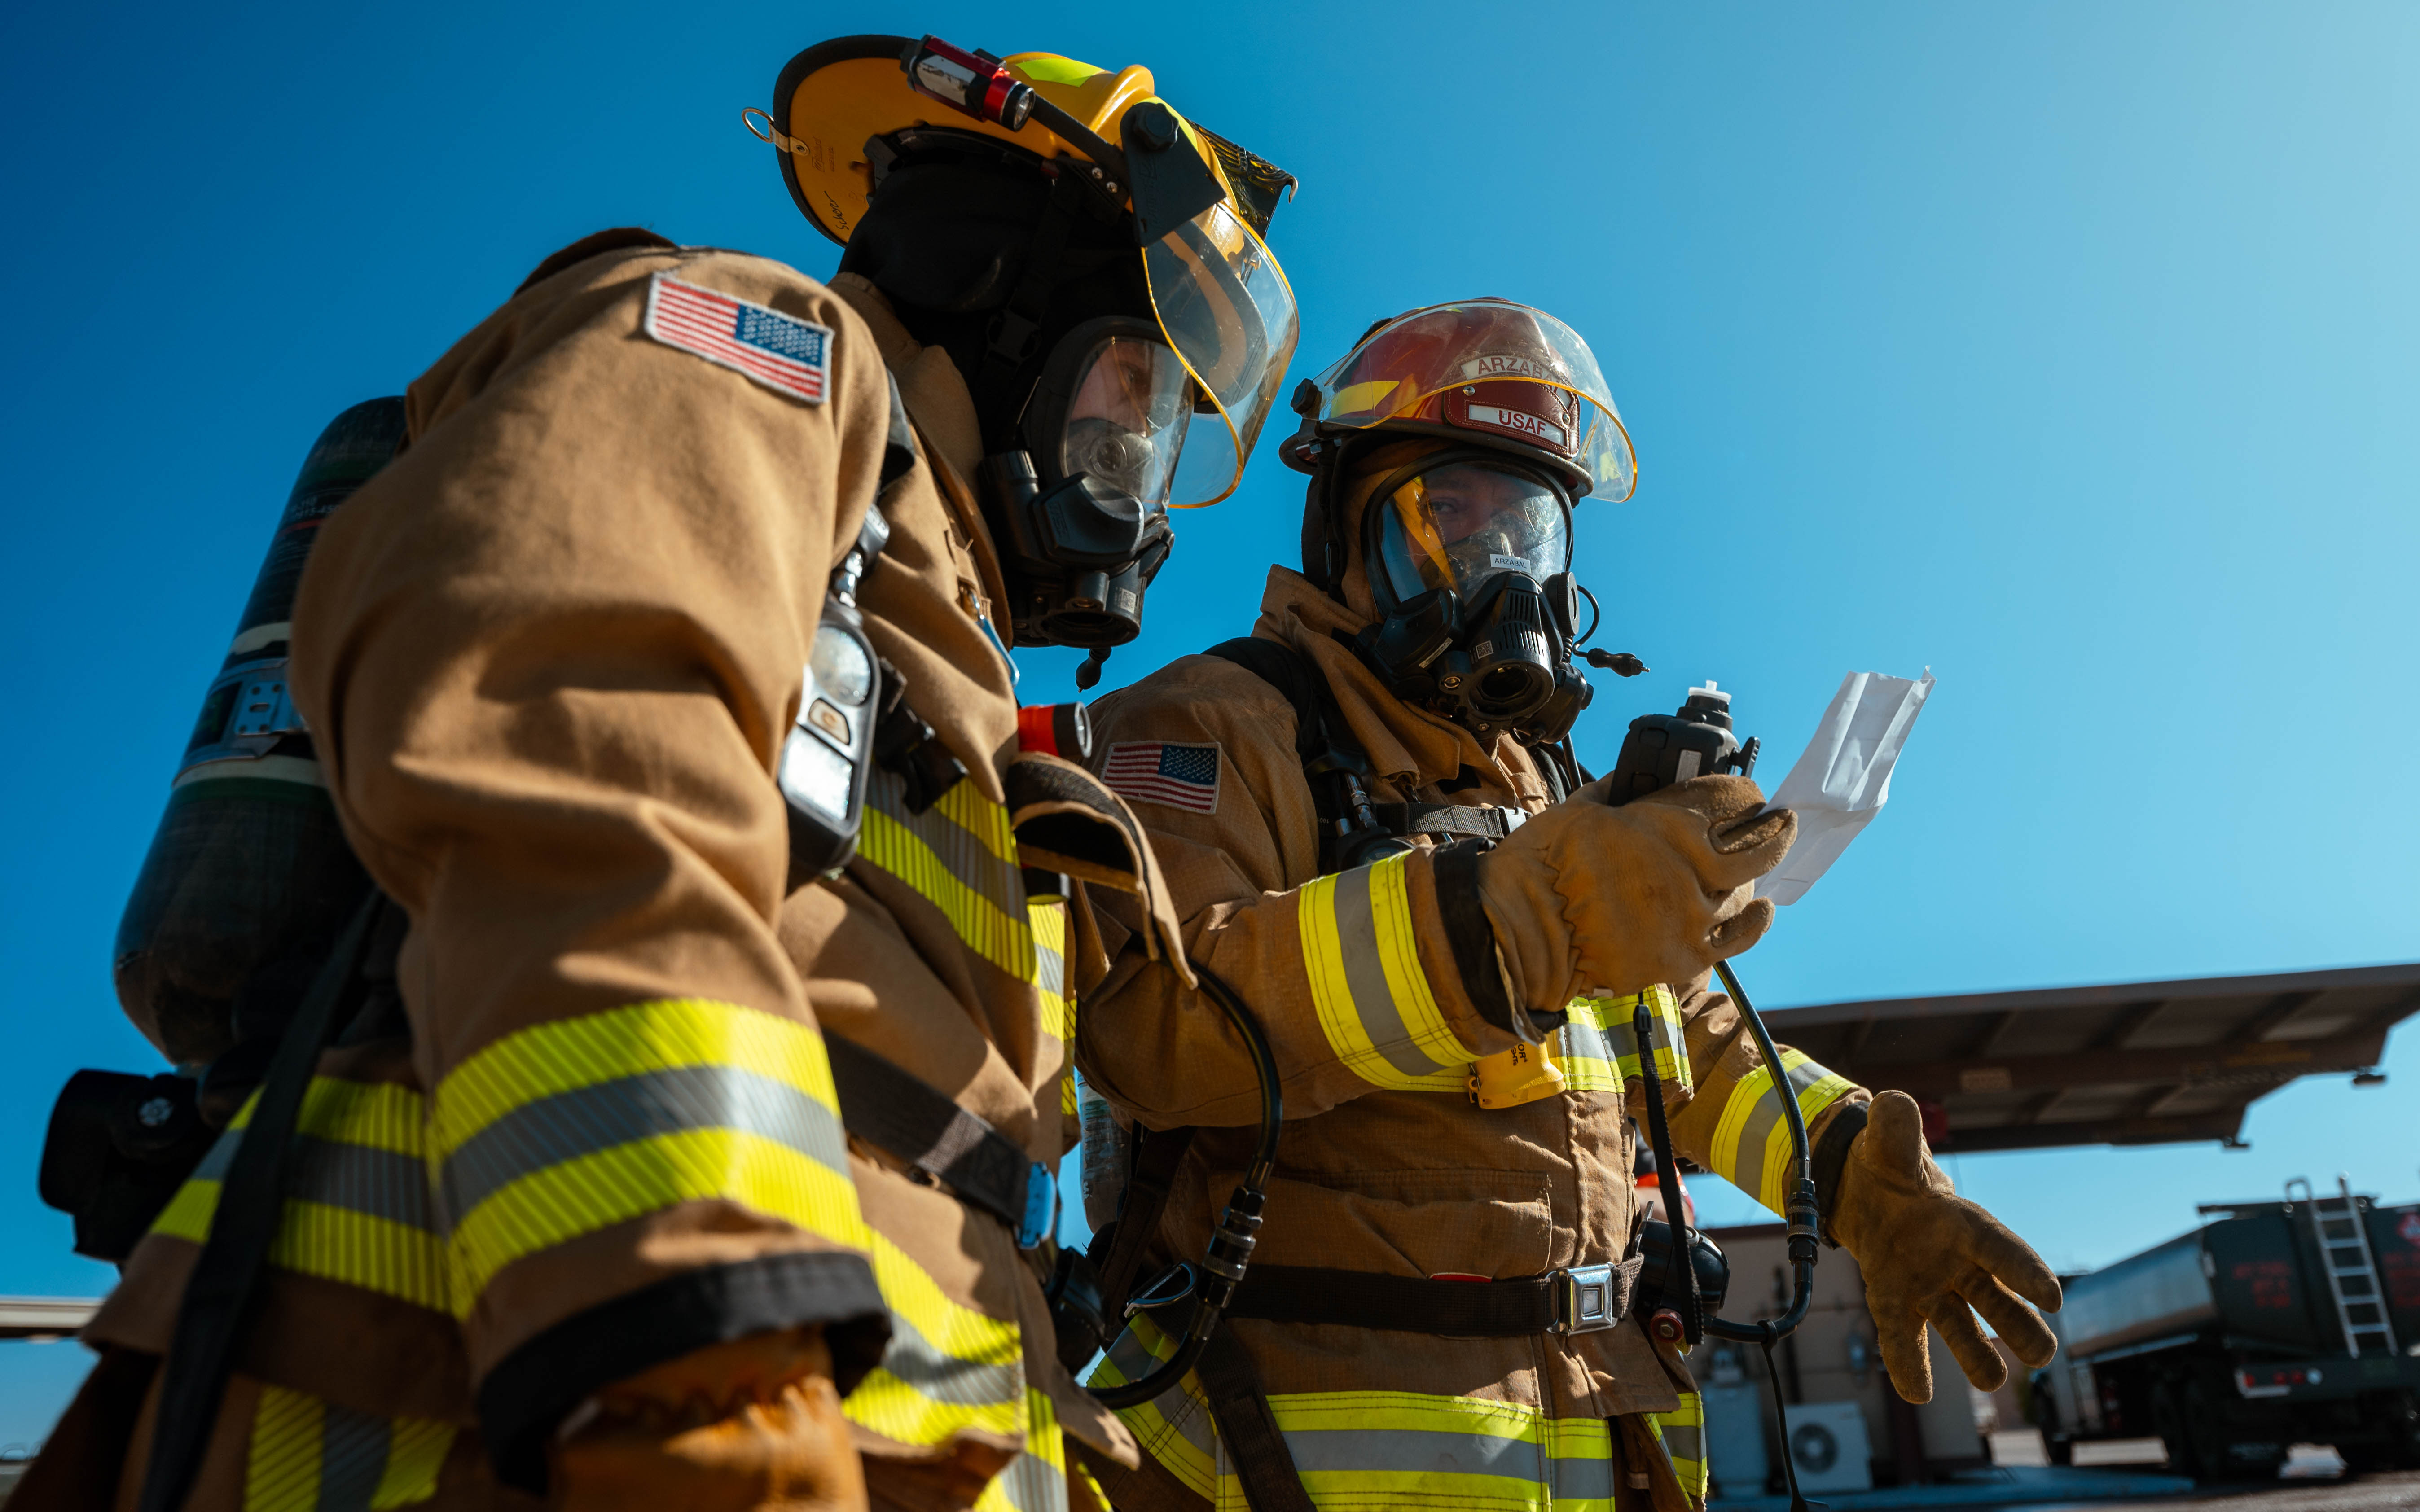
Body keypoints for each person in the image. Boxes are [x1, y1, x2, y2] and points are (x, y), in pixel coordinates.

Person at [25, 36, 1296, 1512]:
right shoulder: (769, 348)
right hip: (546, 1417)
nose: (1140, 461)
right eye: (1136, 387)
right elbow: (561, 727)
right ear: (1002, 282)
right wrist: (697, 1354)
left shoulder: (942, 643)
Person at [1070, 300, 2062, 1511]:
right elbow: (1149, 1026)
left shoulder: (1550, 798)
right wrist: (1510, 925)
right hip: (1271, 1456)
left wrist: (1856, 1172)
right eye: (1449, 518)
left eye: (1525, 531)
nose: (1496, 568)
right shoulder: (1216, 725)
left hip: (1587, 1446)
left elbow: (1688, 1046)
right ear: (1345, 529)